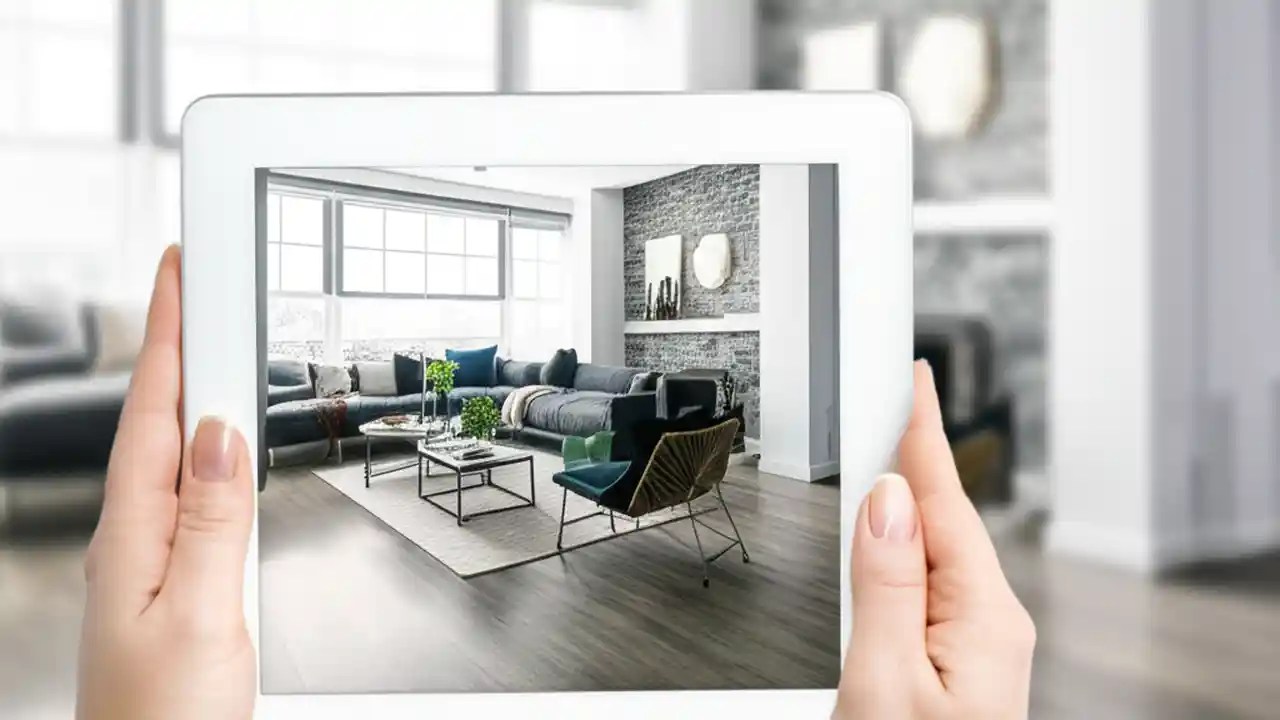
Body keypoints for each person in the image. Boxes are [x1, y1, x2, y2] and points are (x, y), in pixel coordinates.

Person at [77, 248, 1034, 719]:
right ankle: (447, 445)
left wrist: (525, 385)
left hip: (604, 470)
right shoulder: (696, 437)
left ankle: (465, 453)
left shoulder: (555, 382)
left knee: (499, 412)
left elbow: (554, 381)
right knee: (459, 413)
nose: (466, 377)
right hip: (675, 488)